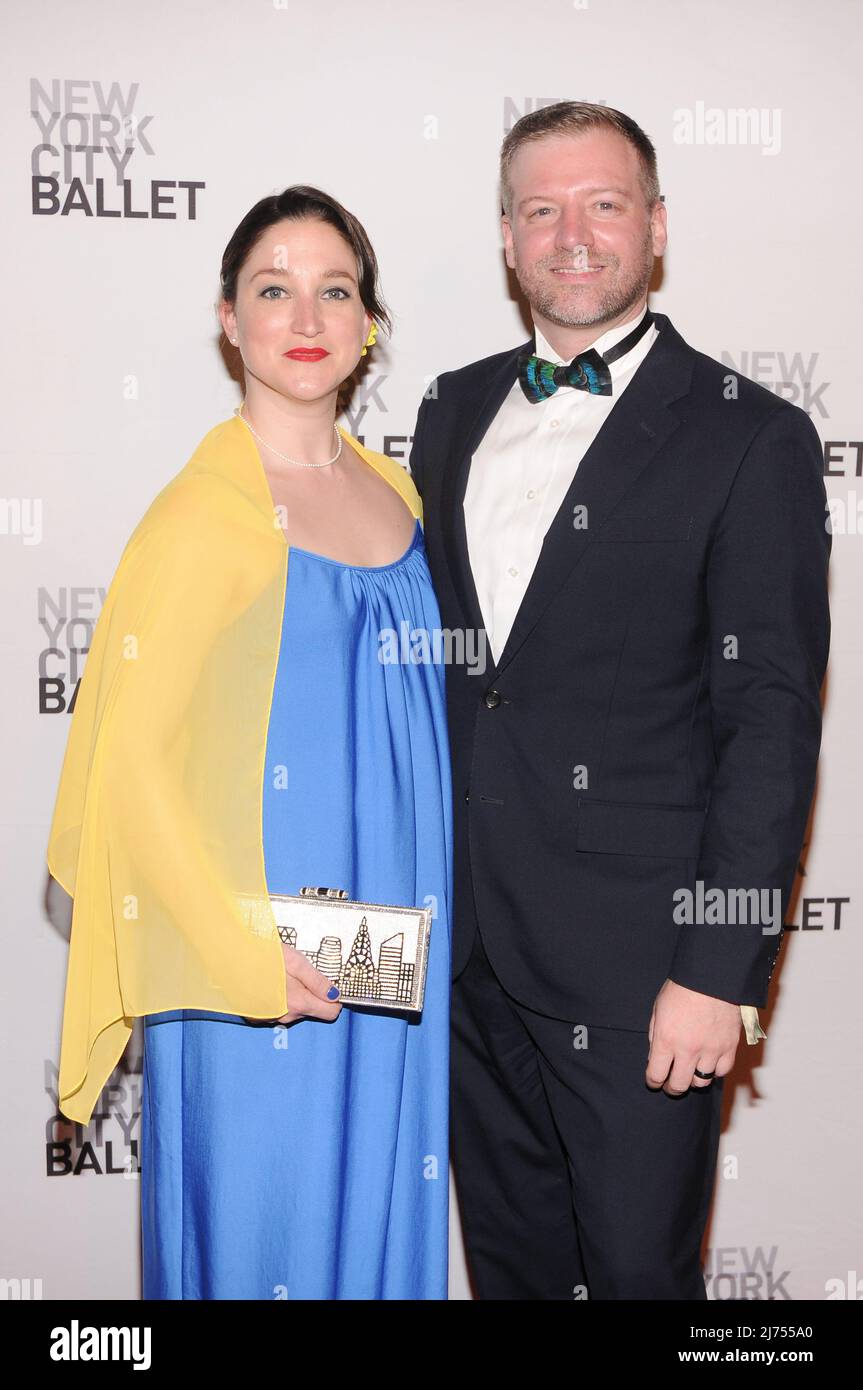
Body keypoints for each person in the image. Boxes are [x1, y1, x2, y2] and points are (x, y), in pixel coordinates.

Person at [408, 102, 830, 1300]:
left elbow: (768, 724)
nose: (571, 234)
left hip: (644, 975)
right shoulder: (447, 413)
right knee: (513, 1277)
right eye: (540, 209)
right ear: (505, 237)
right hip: (470, 959)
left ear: (654, 225)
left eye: (602, 204)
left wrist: (716, 970)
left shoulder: (753, 438)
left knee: (644, 1287)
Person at [47, 186, 452, 1300]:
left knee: (374, 1241)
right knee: (259, 1250)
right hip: (256, 974)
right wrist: (237, 953)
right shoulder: (202, 514)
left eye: (336, 288)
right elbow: (126, 771)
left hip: (392, 963)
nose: (305, 313)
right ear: (228, 317)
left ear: (369, 324)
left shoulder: (401, 495)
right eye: (273, 289)